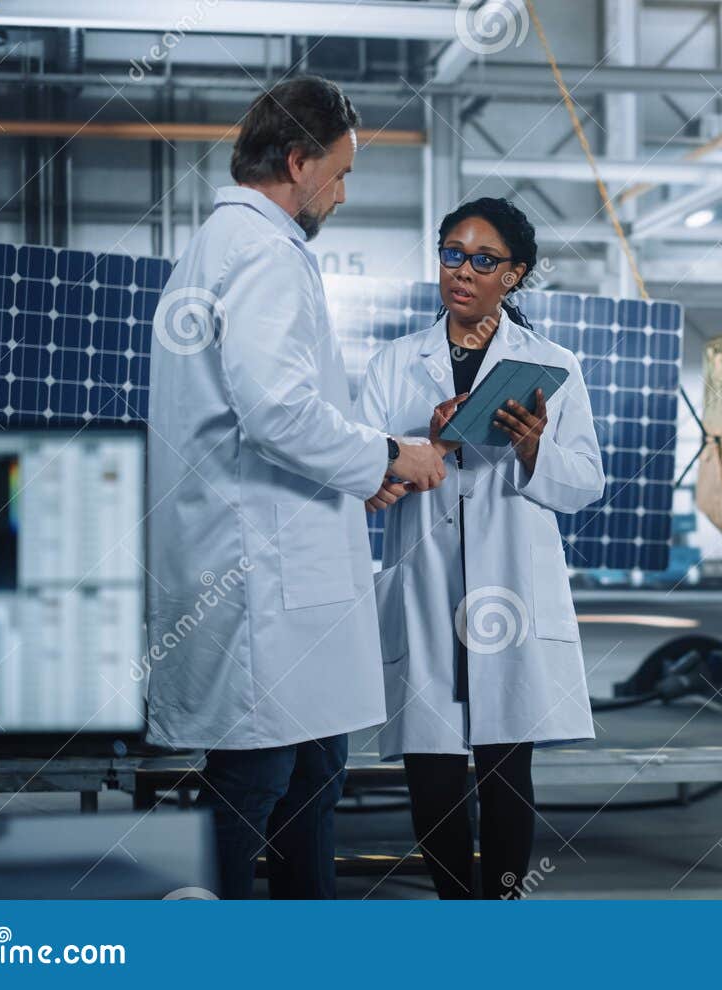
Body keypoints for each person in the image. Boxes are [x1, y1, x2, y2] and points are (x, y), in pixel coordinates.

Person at [145, 76, 448, 899]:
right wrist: (392, 451)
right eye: (341, 174)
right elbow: (275, 410)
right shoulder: (264, 252)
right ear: (296, 160)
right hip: (262, 589)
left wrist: (363, 472)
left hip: (276, 572)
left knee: (313, 779)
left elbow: (273, 417)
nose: (344, 195)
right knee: (257, 790)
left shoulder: (226, 247)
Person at [358, 197, 604, 899]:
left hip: (510, 588)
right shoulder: (395, 363)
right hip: (427, 585)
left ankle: (495, 919)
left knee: (505, 771)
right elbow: (358, 471)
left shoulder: (550, 365)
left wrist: (531, 447)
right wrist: (428, 442)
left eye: (483, 261)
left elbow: (584, 481)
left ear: (515, 275)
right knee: (431, 770)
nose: (462, 272)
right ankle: (455, 911)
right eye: (452, 254)